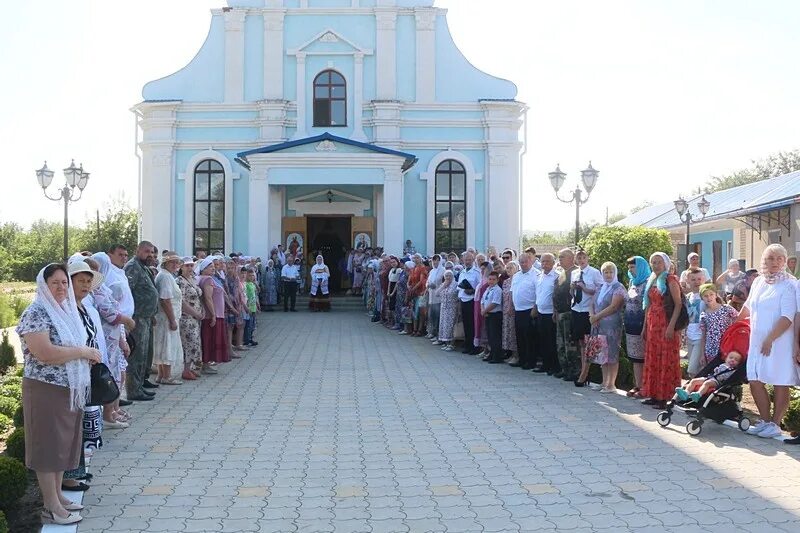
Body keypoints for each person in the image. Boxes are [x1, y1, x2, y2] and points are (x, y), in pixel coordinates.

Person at [17, 263, 103, 525]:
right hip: (45, 388)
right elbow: (45, 353)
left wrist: (85, 356)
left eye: (64, 282)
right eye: (55, 283)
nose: (61, 287)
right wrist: (83, 352)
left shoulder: (64, 310)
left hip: (69, 388)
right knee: (48, 447)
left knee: (61, 446)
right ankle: (50, 507)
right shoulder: (36, 311)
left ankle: (57, 497)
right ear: (44, 285)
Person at [739, 244, 798, 439]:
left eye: (779, 259)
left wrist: (770, 339)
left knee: (780, 381)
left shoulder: (789, 284)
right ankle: (764, 421)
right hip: (757, 340)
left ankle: (775, 424)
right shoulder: (758, 282)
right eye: (770, 258)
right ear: (764, 260)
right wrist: (734, 323)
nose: (774, 262)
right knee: (754, 379)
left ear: (784, 261)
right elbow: (748, 307)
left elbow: (787, 317)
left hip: (779, 341)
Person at [89, 252, 135, 427]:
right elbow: (110, 313)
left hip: (113, 337)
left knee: (117, 373)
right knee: (109, 375)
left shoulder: (100, 286)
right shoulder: (97, 289)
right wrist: (127, 320)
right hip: (106, 338)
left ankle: (113, 410)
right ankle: (108, 414)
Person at [641, 252, 683, 409]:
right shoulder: (651, 280)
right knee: (653, 358)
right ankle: (653, 394)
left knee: (666, 359)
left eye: (659, 262)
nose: (656, 265)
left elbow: (678, 304)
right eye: (653, 262)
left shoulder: (670, 279)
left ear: (665, 264)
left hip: (666, 323)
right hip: (653, 324)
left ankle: (665, 397)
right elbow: (648, 305)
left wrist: (671, 326)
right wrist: (645, 327)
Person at [124, 241, 160, 401]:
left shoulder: (143, 267)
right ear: (137, 251)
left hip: (146, 317)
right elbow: (128, 292)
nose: (150, 255)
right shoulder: (132, 267)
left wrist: (152, 314)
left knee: (145, 353)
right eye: (147, 252)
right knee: (137, 355)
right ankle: (133, 390)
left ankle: (140, 383)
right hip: (137, 318)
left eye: (152, 252)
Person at [586, 262, 626, 393]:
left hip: (611, 325)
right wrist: (592, 316)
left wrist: (596, 317)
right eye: (605, 272)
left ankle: (611, 385)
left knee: (612, 353)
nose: (608, 275)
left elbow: (614, 307)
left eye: (610, 272)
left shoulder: (618, 287)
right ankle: (604, 382)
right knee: (602, 353)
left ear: (615, 273)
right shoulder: (601, 287)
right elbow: (592, 303)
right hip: (598, 325)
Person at [570, 250, 603, 386]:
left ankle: (585, 374)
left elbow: (600, 290)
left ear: (587, 258)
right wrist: (572, 288)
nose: (581, 260)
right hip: (576, 309)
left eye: (584, 257)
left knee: (588, 342)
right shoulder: (574, 273)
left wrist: (585, 288)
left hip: (587, 311)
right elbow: (572, 292)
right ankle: (583, 371)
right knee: (580, 342)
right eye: (579, 258)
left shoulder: (594, 272)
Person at [153, 253, 184, 385]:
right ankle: (166, 376)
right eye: (172, 262)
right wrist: (172, 320)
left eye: (177, 262)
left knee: (163, 345)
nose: (175, 265)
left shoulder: (166, 275)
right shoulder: (165, 276)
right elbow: (165, 300)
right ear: (165, 263)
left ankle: (161, 375)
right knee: (168, 345)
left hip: (166, 317)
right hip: (166, 317)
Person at [676, 345, 746, 403]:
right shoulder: (722, 364)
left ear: (738, 364)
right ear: (726, 359)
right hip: (710, 377)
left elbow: (726, 378)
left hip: (717, 381)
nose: (733, 360)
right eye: (731, 358)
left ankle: (698, 394)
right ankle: (686, 393)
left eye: (736, 360)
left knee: (707, 383)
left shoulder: (732, 371)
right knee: (694, 381)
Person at [624, 256, 650, 398]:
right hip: (630, 325)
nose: (631, 270)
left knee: (643, 357)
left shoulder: (647, 283)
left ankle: (646, 386)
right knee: (634, 357)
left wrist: (645, 326)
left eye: (633, 267)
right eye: (629, 268)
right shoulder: (632, 282)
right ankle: (637, 385)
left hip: (641, 324)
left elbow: (647, 307)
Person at [197, 257, 228, 372]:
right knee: (209, 339)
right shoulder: (208, 279)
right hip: (212, 315)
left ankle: (205, 363)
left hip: (212, 314)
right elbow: (208, 298)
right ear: (203, 269)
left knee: (207, 339)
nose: (213, 268)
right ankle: (205, 364)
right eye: (210, 267)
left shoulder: (203, 278)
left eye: (213, 266)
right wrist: (213, 314)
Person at [554, 249, 579, 381]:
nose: (560, 259)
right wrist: (555, 311)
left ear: (571, 258)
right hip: (560, 313)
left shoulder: (576, 273)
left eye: (562, 257)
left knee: (570, 344)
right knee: (561, 343)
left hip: (570, 313)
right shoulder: (561, 274)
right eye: (559, 257)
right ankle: (565, 369)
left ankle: (574, 371)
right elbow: (556, 294)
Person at [177, 257, 204, 380]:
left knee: (195, 343)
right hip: (186, 317)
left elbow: (198, 296)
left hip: (195, 318)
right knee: (189, 343)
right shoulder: (180, 281)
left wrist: (202, 311)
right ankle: (186, 370)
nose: (189, 268)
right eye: (186, 266)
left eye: (191, 265)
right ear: (181, 267)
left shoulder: (193, 279)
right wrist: (195, 313)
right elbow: (181, 302)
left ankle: (192, 367)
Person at [699, 284, 738, 368]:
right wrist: (702, 354)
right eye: (705, 296)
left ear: (716, 295)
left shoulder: (726, 308)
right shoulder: (703, 315)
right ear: (702, 298)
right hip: (711, 349)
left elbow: (738, 320)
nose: (709, 297)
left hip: (726, 346)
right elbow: (703, 336)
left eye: (711, 294)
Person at [532, 253, 559, 374]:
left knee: (551, 340)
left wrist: (555, 311)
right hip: (541, 312)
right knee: (542, 340)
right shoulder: (539, 276)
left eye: (547, 261)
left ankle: (554, 366)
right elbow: (538, 293)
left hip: (551, 313)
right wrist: (535, 307)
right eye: (542, 261)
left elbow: (557, 296)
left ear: (553, 263)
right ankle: (545, 364)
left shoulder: (557, 276)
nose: (544, 264)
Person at [510, 253, 537, 369]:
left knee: (529, 337)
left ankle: (531, 361)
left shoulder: (536, 274)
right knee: (520, 336)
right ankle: (522, 359)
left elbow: (538, 293)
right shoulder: (516, 275)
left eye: (525, 262)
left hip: (529, 310)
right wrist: (511, 306)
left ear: (531, 261)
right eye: (521, 262)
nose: (523, 264)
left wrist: (535, 308)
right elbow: (512, 292)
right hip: (518, 310)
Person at [684, 268, 708, 377]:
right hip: (690, 336)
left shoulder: (707, 297)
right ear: (688, 281)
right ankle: (697, 387)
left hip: (700, 337)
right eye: (693, 279)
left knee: (692, 369)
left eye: (699, 279)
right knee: (696, 370)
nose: (696, 282)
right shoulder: (688, 297)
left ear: (704, 280)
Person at [458, 252, 482, 355]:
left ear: (473, 260)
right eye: (465, 260)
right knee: (466, 324)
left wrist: (472, 291)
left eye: (469, 260)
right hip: (463, 300)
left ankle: (474, 346)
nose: (467, 262)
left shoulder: (477, 272)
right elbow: (459, 287)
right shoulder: (462, 272)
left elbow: (480, 286)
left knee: (472, 324)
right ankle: (467, 344)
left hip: (472, 300)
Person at [481, 271, 505, 363]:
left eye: (493, 279)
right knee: (490, 336)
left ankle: (497, 356)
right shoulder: (488, 289)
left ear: (497, 280)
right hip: (488, 314)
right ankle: (492, 353)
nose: (491, 281)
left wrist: (485, 311)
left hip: (495, 315)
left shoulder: (497, 290)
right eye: (490, 279)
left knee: (495, 336)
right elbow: (482, 301)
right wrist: (482, 310)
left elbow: (495, 303)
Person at [435, 270, 459, 351]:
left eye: (449, 275)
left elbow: (457, 295)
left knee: (451, 325)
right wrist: (444, 286)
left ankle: (452, 344)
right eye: (446, 276)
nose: (448, 277)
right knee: (444, 325)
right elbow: (436, 294)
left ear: (452, 276)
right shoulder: (443, 284)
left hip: (452, 308)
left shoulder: (456, 284)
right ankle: (447, 343)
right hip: (443, 308)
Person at [501, 261, 518, 364]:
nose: (509, 270)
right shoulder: (506, 281)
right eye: (507, 268)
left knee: (513, 332)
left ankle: (516, 355)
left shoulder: (517, 280)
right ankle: (511, 354)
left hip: (514, 309)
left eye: (511, 268)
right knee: (507, 332)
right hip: (505, 309)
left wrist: (511, 307)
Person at [426, 255, 445, 340]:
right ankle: (432, 332)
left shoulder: (443, 270)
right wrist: (428, 285)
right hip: (431, 295)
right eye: (434, 260)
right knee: (431, 315)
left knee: (438, 316)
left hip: (439, 297)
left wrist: (436, 285)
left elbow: (444, 282)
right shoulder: (432, 271)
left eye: (437, 260)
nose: (435, 262)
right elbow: (427, 281)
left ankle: (438, 334)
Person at [243, 268, 259, 343]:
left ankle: (251, 337)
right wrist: (247, 306)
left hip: (253, 306)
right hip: (249, 306)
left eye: (253, 275)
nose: (251, 277)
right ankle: (247, 339)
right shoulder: (246, 284)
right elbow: (246, 296)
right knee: (248, 324)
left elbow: (254, 295)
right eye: (249, 275)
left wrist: (257, 305)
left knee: (252, 324)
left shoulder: (252, 284)